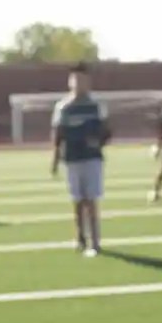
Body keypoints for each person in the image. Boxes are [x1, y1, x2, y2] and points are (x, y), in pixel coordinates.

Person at [50, 62, 111, 257]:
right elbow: (58, 134)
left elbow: (107, 131)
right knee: (77, 200)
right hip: (72, 158)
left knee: (91, 200)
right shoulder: (63, 107)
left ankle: (95, 242)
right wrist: (55, 159)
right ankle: (80, 238)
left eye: (82, 79)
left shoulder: (96, 105)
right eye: (75, 79)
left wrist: (99, 142)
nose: (78, 83)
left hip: (92, 158)